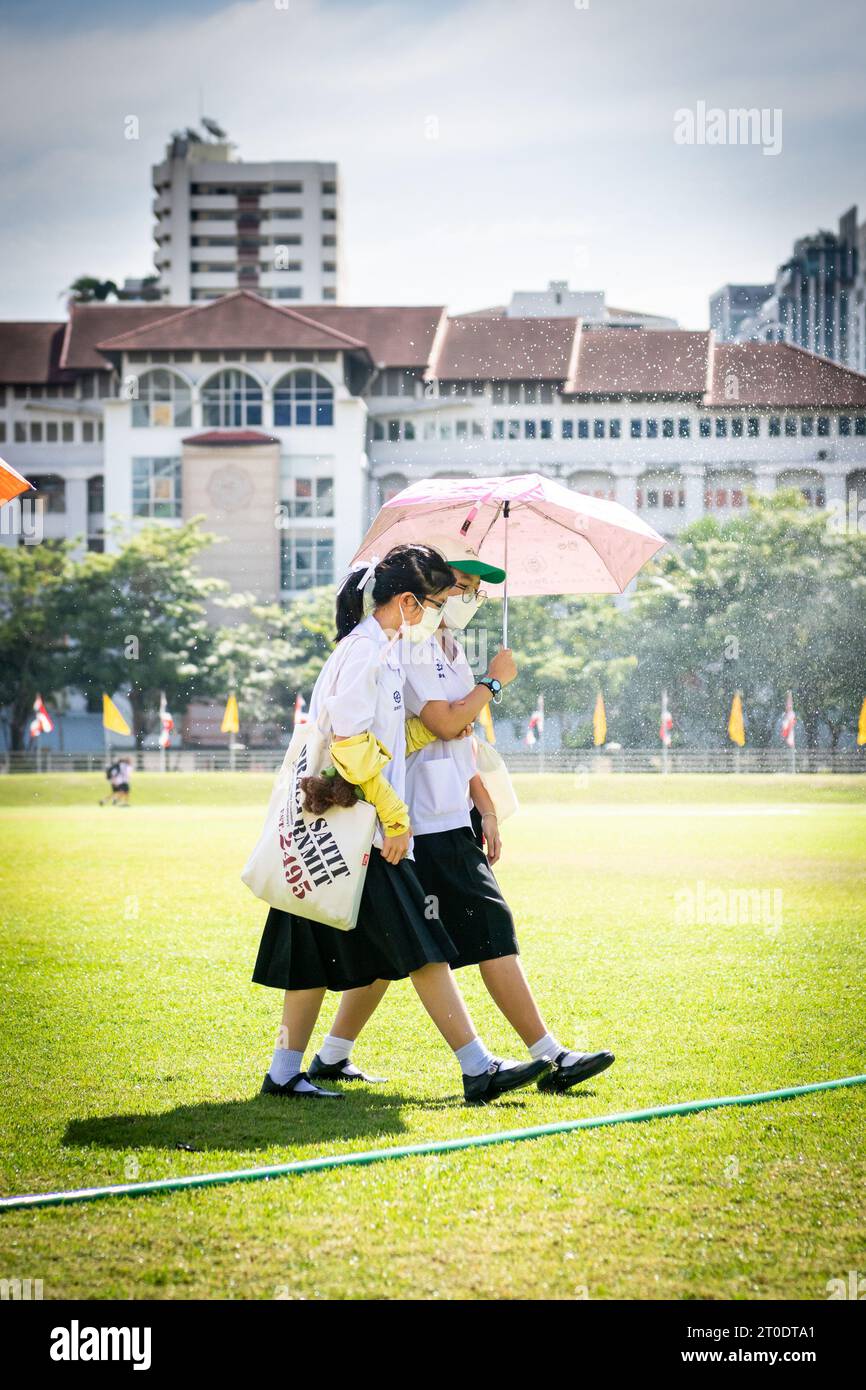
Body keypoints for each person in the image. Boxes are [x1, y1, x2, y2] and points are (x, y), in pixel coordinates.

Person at [310, 544, 615, 1096]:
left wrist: (486, 802)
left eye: (477, 590)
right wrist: (495, 683)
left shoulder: (446, 648)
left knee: (397, 946)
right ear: (432, 589)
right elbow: (447, 723)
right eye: (461, 584)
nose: (467, 597)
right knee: (486, 929)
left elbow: (462, 739)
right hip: (418, 818)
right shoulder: (411, 650)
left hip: (448, 810)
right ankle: (547, 1055)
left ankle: (331, 1057)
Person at [251, 544, 550, 1103]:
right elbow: (349, 746)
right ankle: (477, 1066)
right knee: (420, 945)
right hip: (354, 827)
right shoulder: (366, 653)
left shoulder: (382, 650)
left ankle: (285, 1071)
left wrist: (433, 734)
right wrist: (395, 816)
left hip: (343, 831)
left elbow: (381, 735)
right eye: (437, 603)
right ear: (408, 602)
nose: (442, 613)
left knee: (317, 951)